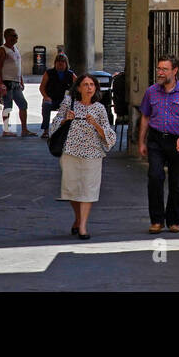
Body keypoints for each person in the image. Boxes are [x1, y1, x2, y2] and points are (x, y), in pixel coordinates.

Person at [138, 55, 179, 234]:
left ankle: (173, 220)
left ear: (175, 71)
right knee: (155, 177)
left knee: (175, 181)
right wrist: (142, 141)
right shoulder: (151, 92)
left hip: (177, 140)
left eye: (164, 69)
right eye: (159, 69)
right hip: (156, 139)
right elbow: (145, 116)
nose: (160, 72)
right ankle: (157, 220)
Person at [55, 74, 115, 238]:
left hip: (93, 153)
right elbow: (55, 123)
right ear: (79, 88)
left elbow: (108, 133)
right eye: (85, 84)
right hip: (70, 152)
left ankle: (82, 226)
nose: (89, 88)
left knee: (89, 189)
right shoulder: (70, 104)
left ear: (95, 88)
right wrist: (65, 120)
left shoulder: (100, 109)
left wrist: (95, 124)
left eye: (91, 85)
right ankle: (78, 218)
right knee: (72, 189)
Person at [0, 28, 35, 137]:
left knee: (23, 104)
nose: (15, 38)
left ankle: (24, 129)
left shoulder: (15, 49)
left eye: (16, 36)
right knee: (8, 106)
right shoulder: (2, 50)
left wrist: (21, 80)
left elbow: (18, 66)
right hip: (7, 82)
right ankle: (6, 130)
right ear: (6, 37)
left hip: (16, 82)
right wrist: (0, 83)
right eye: (13, 36)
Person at [39, 52, 75, 140]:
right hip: (51, 98)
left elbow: (78, 86)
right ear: (55, 64)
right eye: (58, 63)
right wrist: (46, 97)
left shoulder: (70, 74)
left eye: (62, 63)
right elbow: (42, 87)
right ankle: (46, 130)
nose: (60, 66)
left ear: (66, 64)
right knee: (46, 105)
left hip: (65, 100)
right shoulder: (49, 73)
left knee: (73, 106)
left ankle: (68, 130)